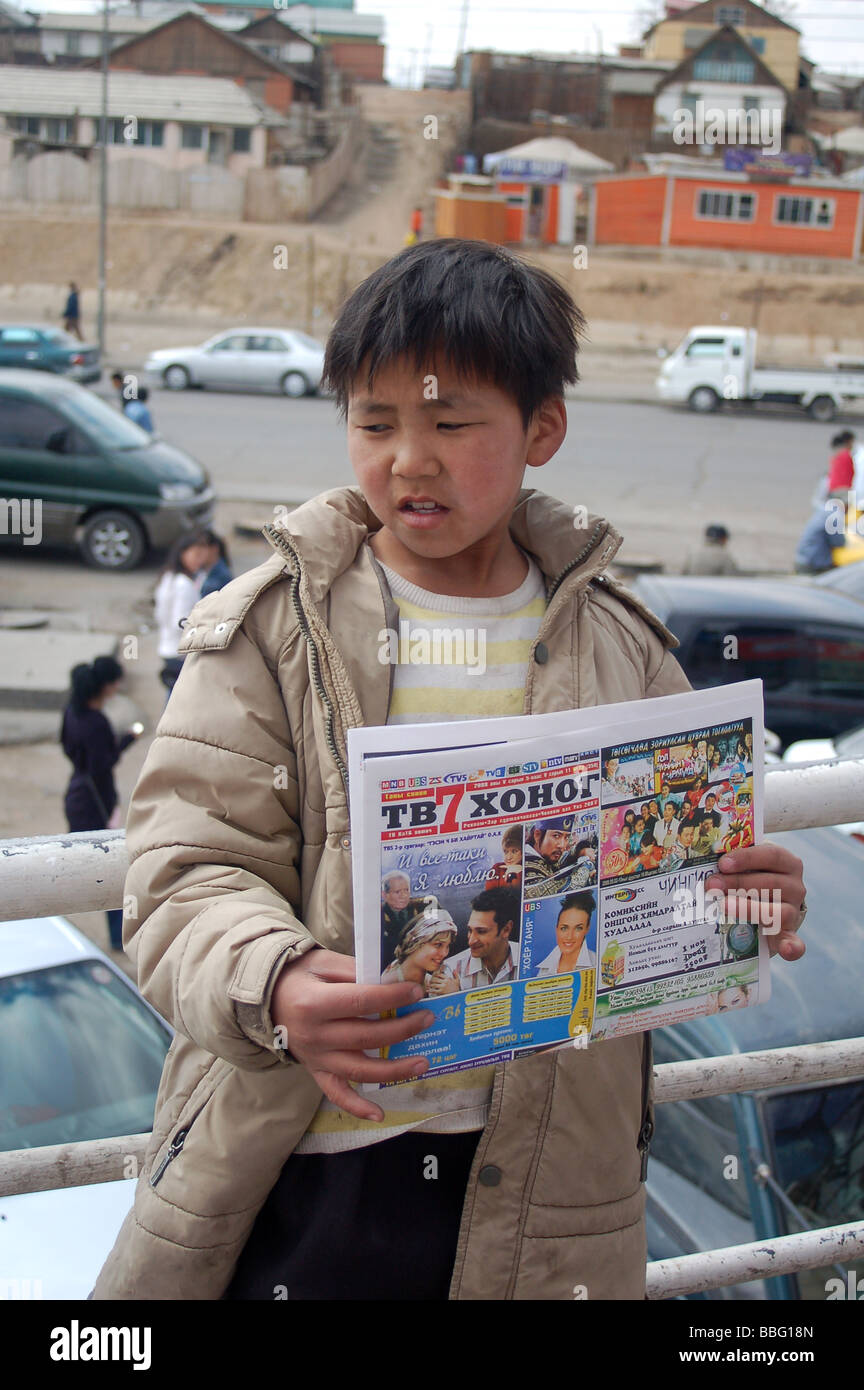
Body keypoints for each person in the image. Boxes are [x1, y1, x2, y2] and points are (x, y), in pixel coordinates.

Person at [92, 237, 807, 1304]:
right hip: (307, 1171)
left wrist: (740, 891)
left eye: (451, 422)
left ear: (542, 430)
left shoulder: (622, 641)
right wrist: (275, 978)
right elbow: (181, 869)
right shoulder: (279, 631)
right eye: (374, 423)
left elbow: (668, 871)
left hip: (547, 1194)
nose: (407, 459)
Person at [60, 657, 141, 950]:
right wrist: (128, 740)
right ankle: (119, 936)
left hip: (77, 797)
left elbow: (70, 749)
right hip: (95, 804)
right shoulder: (96, 723)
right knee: (110, 870)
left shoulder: (71, 713)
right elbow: (103, 763)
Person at [154, 533, 209, 696]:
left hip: (167, 647)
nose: (199, 560)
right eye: (196, 555)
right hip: (180, 653)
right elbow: (180, 622)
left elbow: (160, 614)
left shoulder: (168, 577)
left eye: (202, 556)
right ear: (182, 553)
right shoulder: (183, 584)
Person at [446, 887, 520, 990]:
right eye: (470, 930)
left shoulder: (530, 960)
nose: (471, 941)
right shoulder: (450, 970)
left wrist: (457, 996)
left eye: (481, 931)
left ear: (506, 929)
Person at [380, 908, 457, 997]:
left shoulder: (432, 983)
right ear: (415, 943)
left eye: (447, 946)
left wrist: (454, 993)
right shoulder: (389, 985)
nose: (444, 953)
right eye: (438, 945)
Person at [524, 814, 594, 894]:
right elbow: (552, 893)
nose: (562, 845)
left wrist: (581, 852)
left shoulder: (544, 856)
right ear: (537, 835)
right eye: (556, 836)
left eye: (566, 837)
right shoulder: (526, 866)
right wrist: (586, 867)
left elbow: (561, 862)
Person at [534, 892, 595, 977]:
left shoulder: (597, 962)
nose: (569, 936)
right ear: (557, 929)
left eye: (578, 928)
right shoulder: (544, 969)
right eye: (564, 928)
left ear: (587, 928)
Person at [380, 871, 427, 970]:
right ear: (384, 895)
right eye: (397, 892)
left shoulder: (422, 907)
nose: (404, 895)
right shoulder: (377, 916)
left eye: (406, 890)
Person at [795, 497, 846, 573]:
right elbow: (839, 543)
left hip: (801, 559)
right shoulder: (834, 515)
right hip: (814, 564)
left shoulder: (822, 510)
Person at [193, 528, 234, 598]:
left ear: (214, 548)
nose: (197, 552)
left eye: (202, 547)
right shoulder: (200, 571)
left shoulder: (222, 577)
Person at [484, 824, 523, 890]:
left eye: (514, 851)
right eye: (506, 852)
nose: (508, 857)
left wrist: (518, 873)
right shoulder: (497, 869)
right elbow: (489, 896)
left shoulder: (530, 866)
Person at [826, 430, 856, 496]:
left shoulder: (835, 456)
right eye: (852, 442)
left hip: (833, 489)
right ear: (848, 442)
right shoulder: (847, 455)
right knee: (852, 505)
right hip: (845, 490)